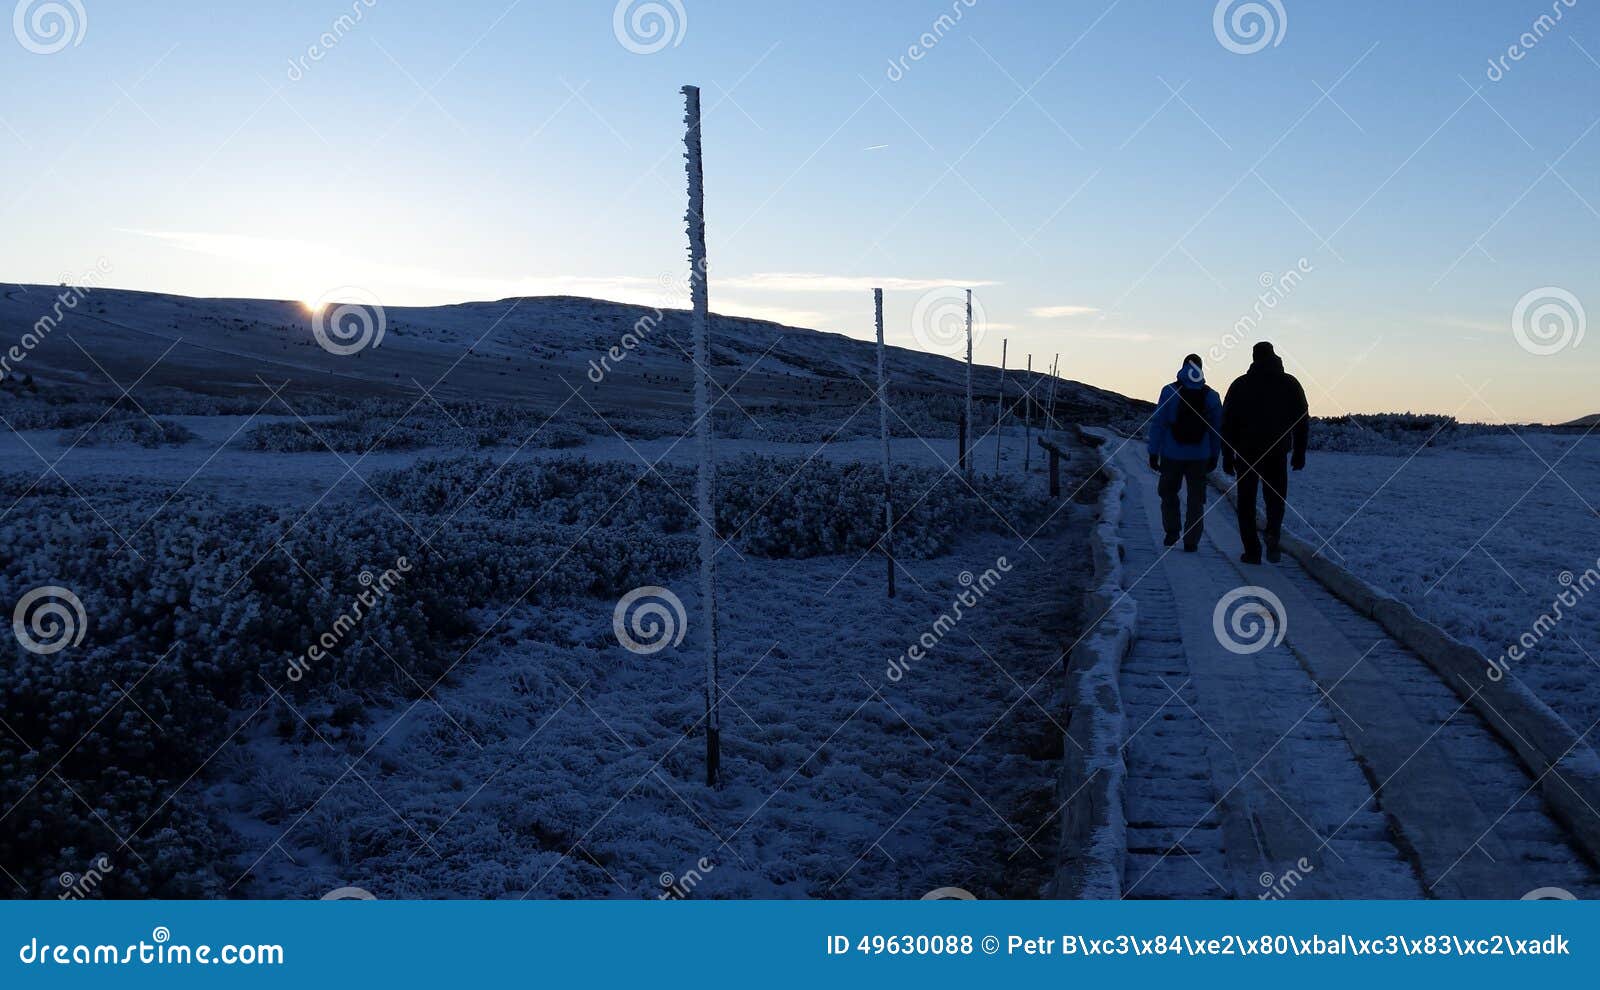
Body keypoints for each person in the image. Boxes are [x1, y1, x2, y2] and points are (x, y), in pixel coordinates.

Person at [1221, 342, 1310, 565]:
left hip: (1247, 452)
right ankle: (1272, 536)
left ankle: (1252, 551)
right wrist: (1299, 452)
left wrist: (1227, 454)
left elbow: (1227, 423)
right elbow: (1302, 421)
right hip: (1277, 452)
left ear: (1253, 357)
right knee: (1275, 499)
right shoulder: (1290, 383)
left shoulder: (1240, 384)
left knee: (1246, 501)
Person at [1147, 354, 1223, 552]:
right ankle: (1191, 541)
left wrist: (1153, 452)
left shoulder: (1169, 391)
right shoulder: (1211, 396)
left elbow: (1158, 424)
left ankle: (1172, 532)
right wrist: (1215, 455)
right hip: (1200, 456)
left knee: (1168, 493)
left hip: (1172, 454)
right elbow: (1217, 430)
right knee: (1196, 499)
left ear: (1182, 367)